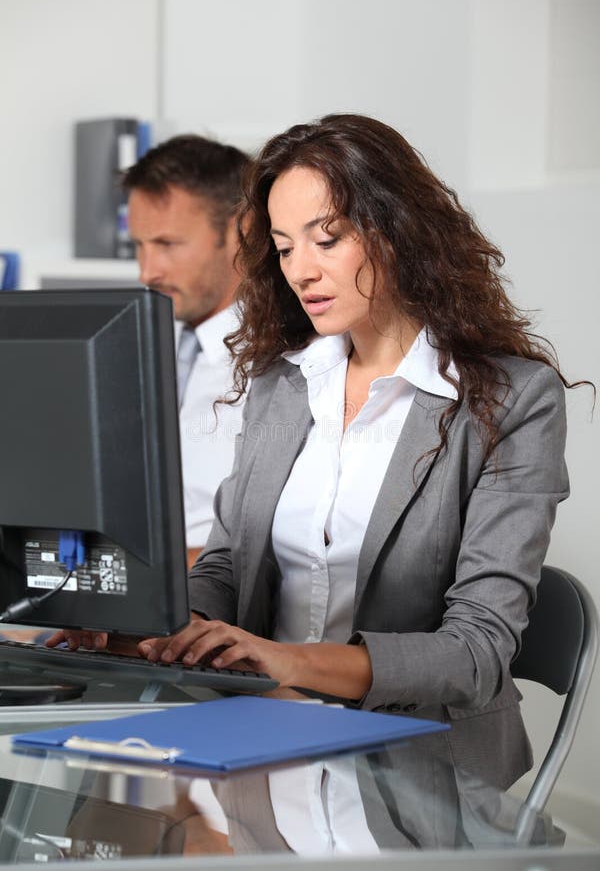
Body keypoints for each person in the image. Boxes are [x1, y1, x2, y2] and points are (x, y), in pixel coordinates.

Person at [49, 114, 579, 791]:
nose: (302, 270)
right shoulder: (282, 382)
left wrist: (287, 660)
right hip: (259, 743)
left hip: (424, 771)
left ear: (396, 229)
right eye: (283, 246)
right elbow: (227, 570)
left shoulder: (509, 399)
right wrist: (143, 625)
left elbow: (475, 654)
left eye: (326, 239)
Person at [123, 134, 250, 566]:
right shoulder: (146, 347)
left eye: (167, 245)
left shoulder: (283, 364)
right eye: (138, 246)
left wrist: (134, 575)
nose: (147, 271)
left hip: (220, 610)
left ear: (240, 232)